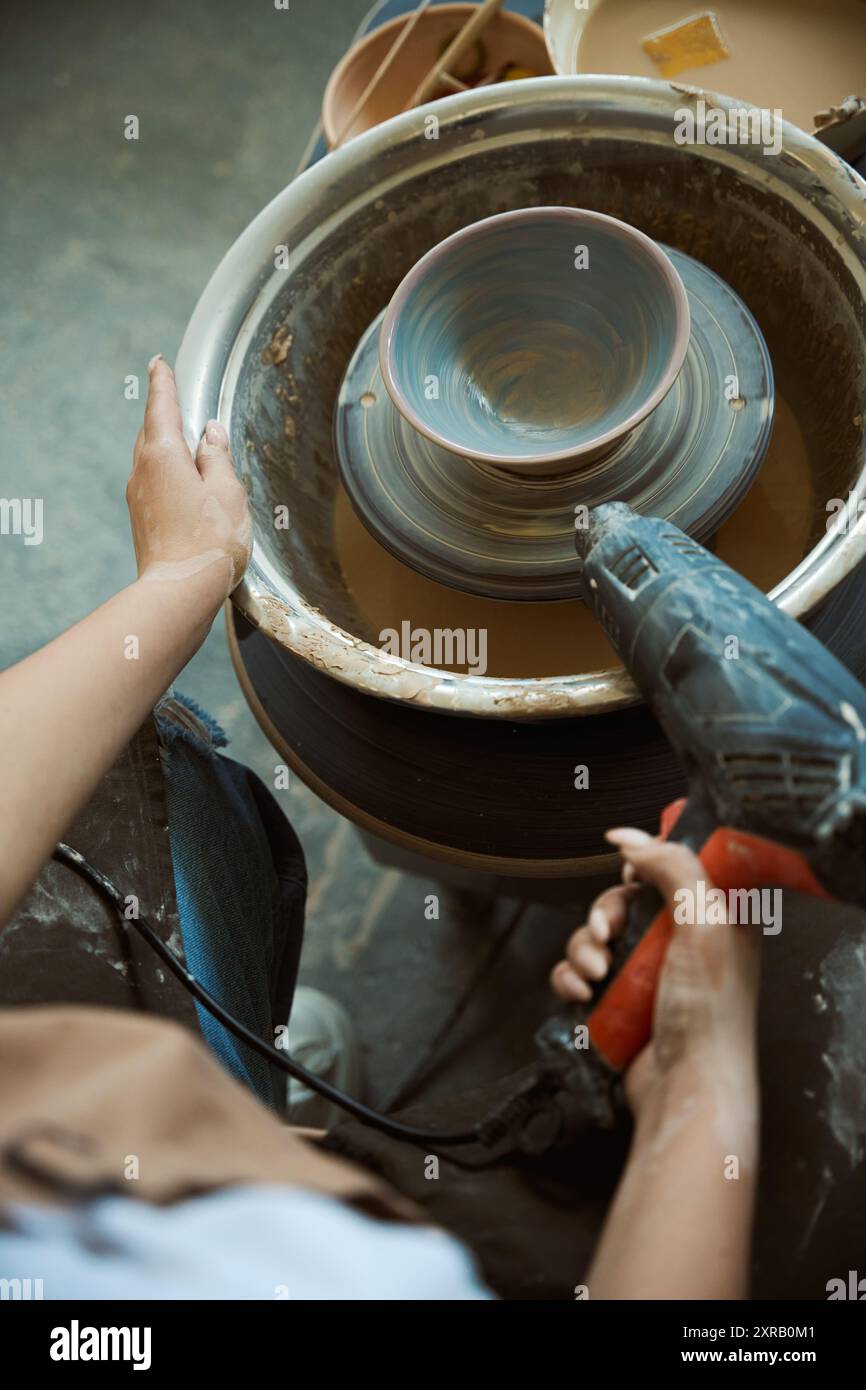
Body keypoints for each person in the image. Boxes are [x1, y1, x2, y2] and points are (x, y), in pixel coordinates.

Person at [0, 360, 760, 1300]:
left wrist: (184, 579)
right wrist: (705, 1081)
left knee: (104, 754)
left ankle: (257, 1077)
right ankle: (261, 1101)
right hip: (345, 1257)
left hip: (85, 1140)